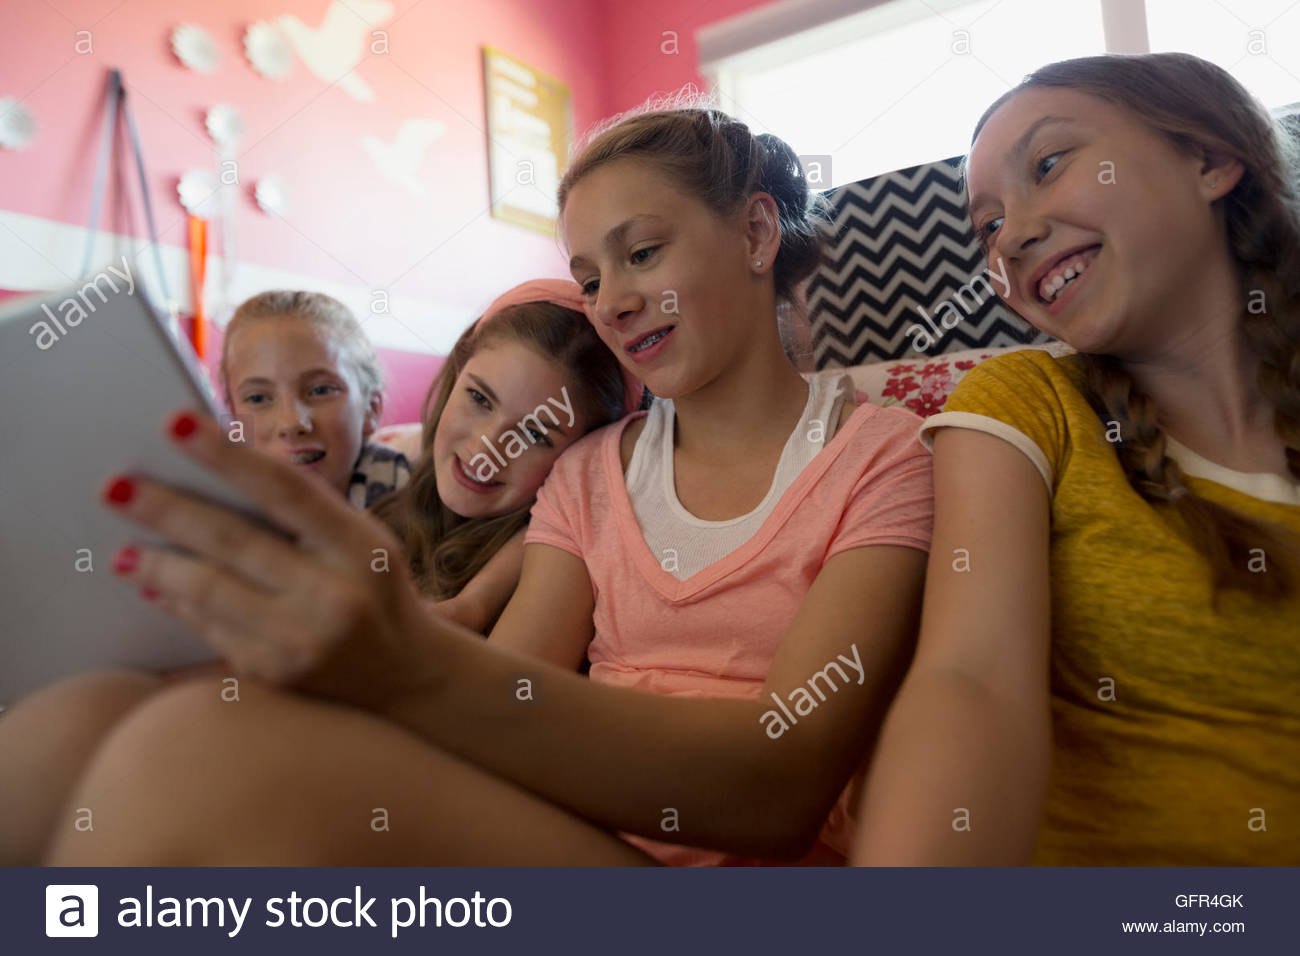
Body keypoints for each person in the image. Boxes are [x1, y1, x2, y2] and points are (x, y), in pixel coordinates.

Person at [39, 102, 933, 867]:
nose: (610, 300)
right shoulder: (588, 474)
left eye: (642, 254)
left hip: (734, 863)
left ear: (755, 233)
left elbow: (780, 784)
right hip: (574, 829)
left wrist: (405, 662)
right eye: (589, 276)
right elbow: (507, 691)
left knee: (178, 748)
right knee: (98, 711)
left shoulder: (882, 457)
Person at [0, 280, 635, 865]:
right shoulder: (391, 495)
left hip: (376, 763)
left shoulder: (542, 548)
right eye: (479, 398)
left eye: (538, 434)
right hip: (285, 712)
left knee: (148, 744)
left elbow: (485, 711)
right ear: (449, 384)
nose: (489, 444)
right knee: (84, 709)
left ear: (578, 456)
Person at [853, 52, 1300, 866]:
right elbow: (970, 681)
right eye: (986, 226)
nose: (1012, 237)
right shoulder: (1026, 401)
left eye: (1048, 165)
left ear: (1208, 158)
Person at [219, 289, 406, 508]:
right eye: (258, 398)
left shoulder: (405, 490)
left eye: (320, 391)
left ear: (370, 409)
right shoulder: (218, 500)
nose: (291, 423)